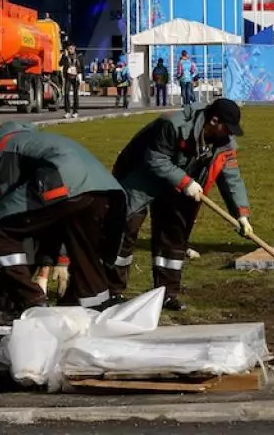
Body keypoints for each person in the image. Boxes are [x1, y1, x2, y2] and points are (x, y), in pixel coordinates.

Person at [0, 121, 127, 321]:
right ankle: (95, 308)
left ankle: (30, 300)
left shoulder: (0, 148)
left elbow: (14, 223)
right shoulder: (34, 139)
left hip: (63, 183)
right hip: (105, 190)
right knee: (85, 251)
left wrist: (10, 287)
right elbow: (46, 223)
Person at [108, 98, 252, 311]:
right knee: (126, 229)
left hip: (182, 181)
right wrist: (186, 182)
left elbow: (231, 176)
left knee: (175, 232)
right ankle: (112, 291)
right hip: (140, 174)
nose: (229, 134)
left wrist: (241, 213)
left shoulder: (225, 142)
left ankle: (166, 293)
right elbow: (155, 159)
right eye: (227, 127)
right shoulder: (173, 124)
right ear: (214, 120)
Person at [59, 43, 82, 119]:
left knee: (75, 95)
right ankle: (67, 111)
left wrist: (81, 77)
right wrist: (64, 56)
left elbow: (82, 66)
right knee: (66, 94)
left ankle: (75, 112)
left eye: (71, 48)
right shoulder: (65, 56)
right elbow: (60, 64)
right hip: (68, 77)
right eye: (69, 48)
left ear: (74, 48)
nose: (70, 50)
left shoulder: (79, 56)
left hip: (76, 77)